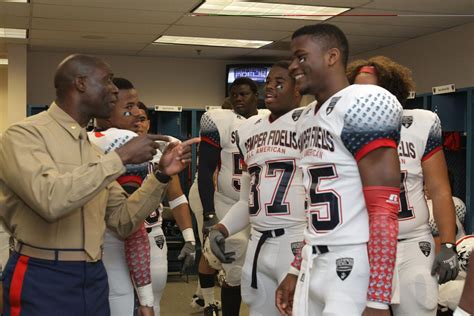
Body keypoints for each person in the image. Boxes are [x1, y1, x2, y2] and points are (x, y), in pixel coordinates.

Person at [0, 54, 198, 316]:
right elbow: (50, 200)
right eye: (107, 81)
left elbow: (122, 221)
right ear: (80, 83)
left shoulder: (92, 152)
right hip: (43, 273)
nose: (115, 90)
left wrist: (160, 176)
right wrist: (121, 157)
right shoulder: (24, 136)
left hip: (93, 276)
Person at [275, 24, 403, 316]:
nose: (294, 66)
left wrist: (378, 300)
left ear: (332, 56)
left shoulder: (364, 102)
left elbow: (384, 209)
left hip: (352, 262)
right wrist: (296, 268)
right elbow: (315, 208)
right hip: (313, 261)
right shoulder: (307, 117)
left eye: (301, 57)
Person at [347, 55, 459, 315]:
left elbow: (440, 188)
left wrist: (449, 243)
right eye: (357, 91)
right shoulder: (341, 128)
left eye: (372, 90)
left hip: (410, 244)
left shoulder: (420, 123)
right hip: (361, 245)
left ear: (392, 92)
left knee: (418, 307)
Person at [208, 61, 306, 315]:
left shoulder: (310, 123)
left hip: (296, 240)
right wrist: (221, 227)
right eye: (269, 82)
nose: (270, 88)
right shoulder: (249, 130)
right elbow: (246, 201)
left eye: (280, 82)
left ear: (298, 89)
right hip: (258, 241)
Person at [198, 77, 262, 316]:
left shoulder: (268, 120)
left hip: (258, 204)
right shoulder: (219, 120)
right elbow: (205, 169)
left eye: (244, 94)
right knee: (234, 264)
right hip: (228, 202)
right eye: (234, 94)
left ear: (256, 95)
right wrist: (208, 213)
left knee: (262, 265)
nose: (238, 98)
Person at [136, 101, 197, 315]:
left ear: (148, 122)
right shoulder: (111, 149)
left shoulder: (160, 151)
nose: (137, 123)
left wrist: (189, 238)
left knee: (153, 301)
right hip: (118, 238)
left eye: (141, 118)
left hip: (152, 234)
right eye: (131, 117)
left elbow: (177, 197)